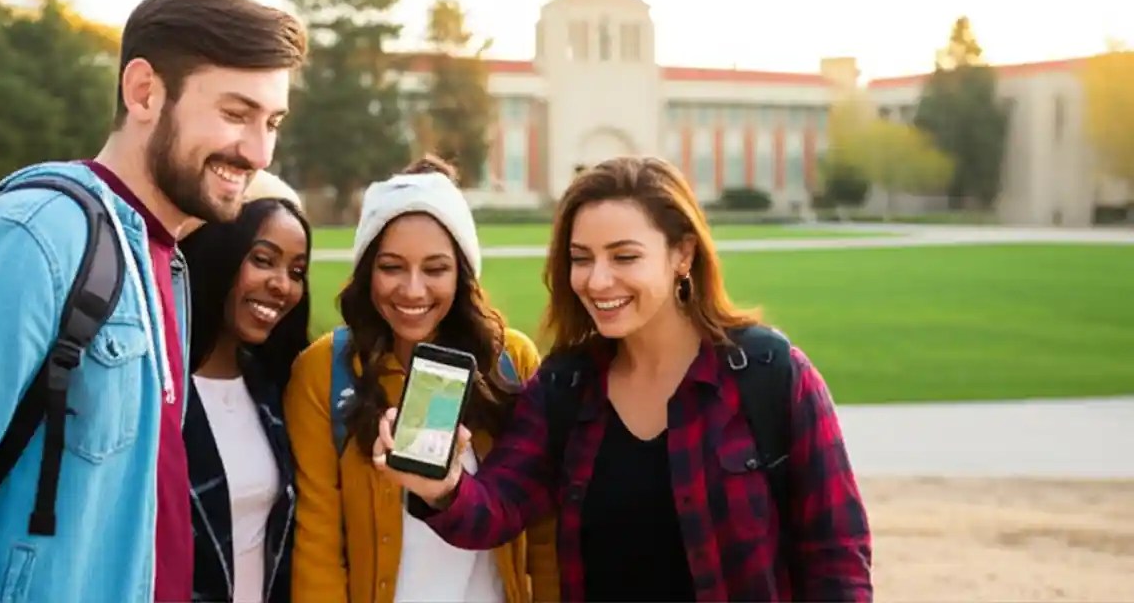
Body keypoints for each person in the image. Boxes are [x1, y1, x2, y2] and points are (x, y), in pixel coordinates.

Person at [0, 0, 307, 602]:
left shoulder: (166, 263)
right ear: (144, 91)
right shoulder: (32, 239)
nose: (258, 151)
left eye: (272, 122)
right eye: (235, 114)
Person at [373, 156, 873, 602]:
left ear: (683, 255)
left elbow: (837, 559)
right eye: (581, 257)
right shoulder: (566, 386)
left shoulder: (772, 376)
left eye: (624, 256)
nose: (597, 280)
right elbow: (499, 507)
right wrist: (443, 487)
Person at [284, 156, 559, 603]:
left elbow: (544, 536)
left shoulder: (511, 360)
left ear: (462, 272)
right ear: (367, 270)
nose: (413, 290)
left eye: (435, 269)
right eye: (391, 267)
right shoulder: (324, 372)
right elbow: (317, 545)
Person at [180, 172, 311, 603]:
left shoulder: (276, 390)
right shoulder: (155, 389)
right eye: (262, 259)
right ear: (219, 252)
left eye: (296, 271)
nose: (282, 285)